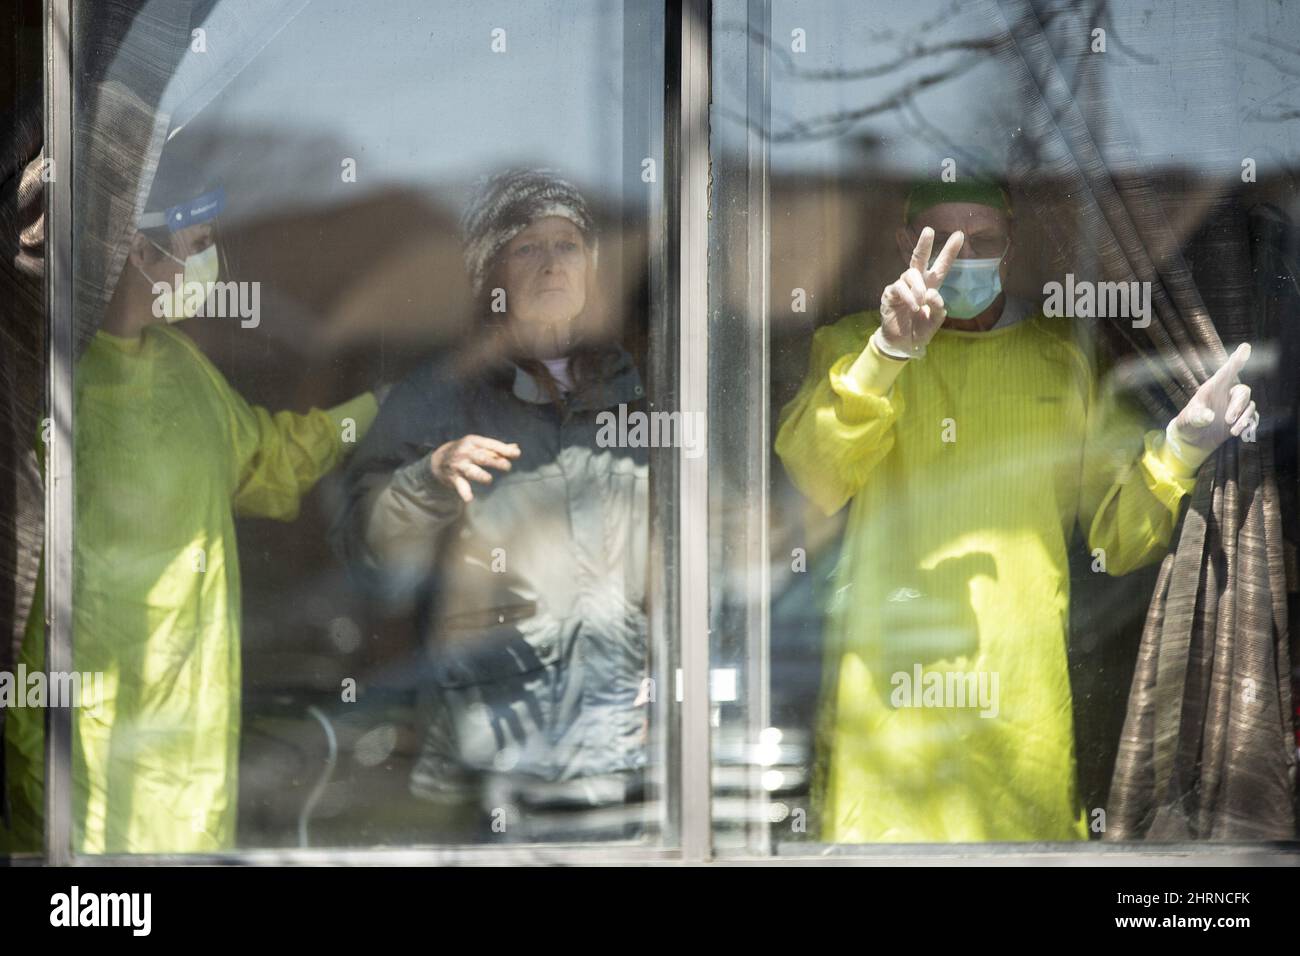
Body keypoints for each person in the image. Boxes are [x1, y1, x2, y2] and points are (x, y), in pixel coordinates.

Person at [775, 179, 1257, 843]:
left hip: (1020, 714)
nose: (964, 257)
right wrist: (888, 354)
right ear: (902, 243)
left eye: (985, 241)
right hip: (886, 722)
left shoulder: (1063, 358)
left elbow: (1120, 537)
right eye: (946, 240)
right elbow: (817, 474)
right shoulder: (854, 344)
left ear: (1013, 244)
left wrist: (1181, 447)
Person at [2, 178, 378, 854]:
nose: (210, 263)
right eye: (198, 244)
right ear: (138, 249)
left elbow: (270, 462)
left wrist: (378, 411)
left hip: (193, 760)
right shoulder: (47, 385)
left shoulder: (183, 368)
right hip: (85, 768)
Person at [334, 169, 649, 840]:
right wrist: (426, 478)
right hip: (495, 743)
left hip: (628, 741)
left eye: (567, 245)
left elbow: (696, 547)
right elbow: (372, 563)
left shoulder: (638, 391)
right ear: (492, 275)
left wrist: (675, 672)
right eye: (527, 248)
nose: (552, 264)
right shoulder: (441, 395)